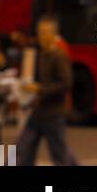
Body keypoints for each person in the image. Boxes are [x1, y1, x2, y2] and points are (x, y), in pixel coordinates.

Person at [16, 16, 79, 166]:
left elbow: (66, 83)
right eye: (40, 32)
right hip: (38, 112)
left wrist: (39, 88)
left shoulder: (59, 56)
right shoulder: (40, 55)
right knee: (22, 149)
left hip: (54, 114)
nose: (41, 36)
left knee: (60, 154)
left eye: (45, 32)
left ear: (53, 34)